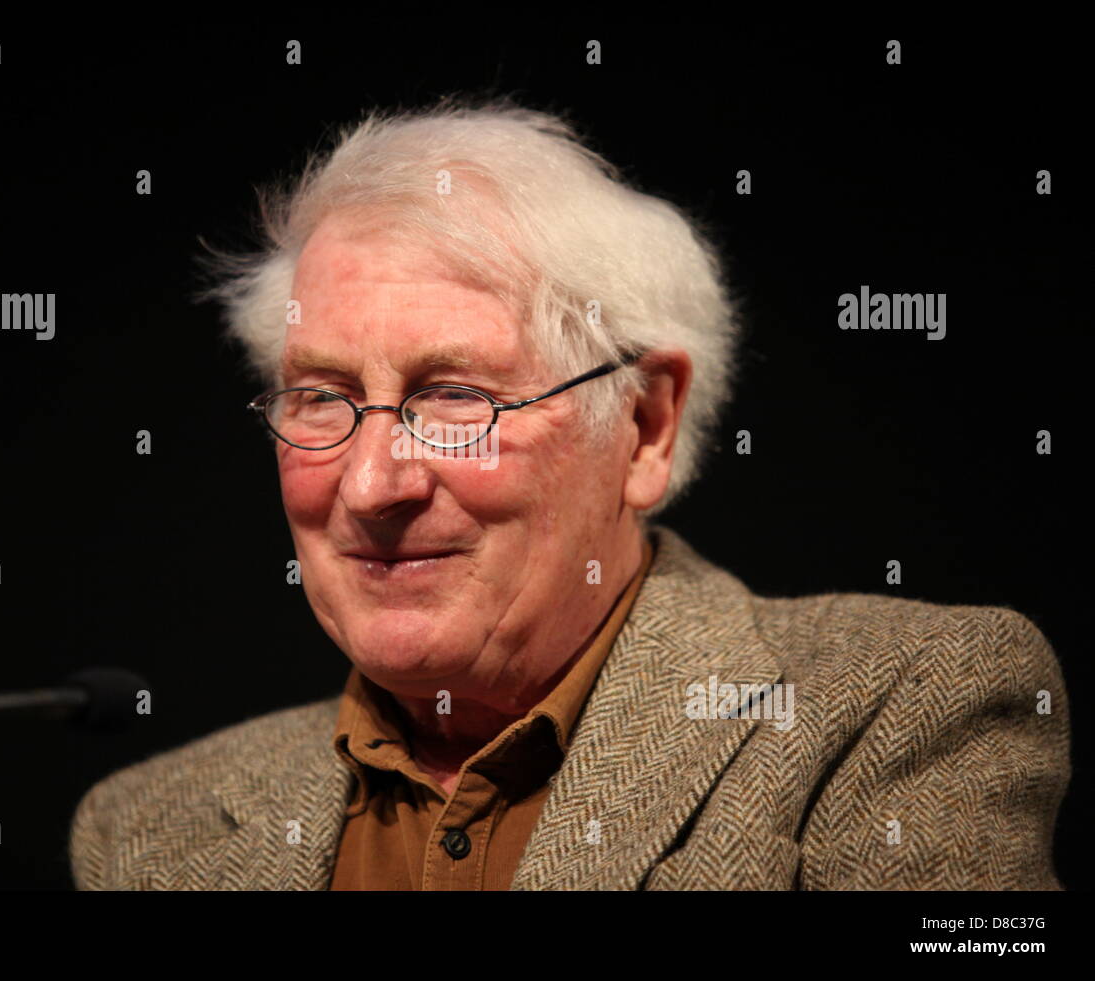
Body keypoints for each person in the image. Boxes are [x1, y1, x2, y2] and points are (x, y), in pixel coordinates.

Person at [69, 97, 1070, 890]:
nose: (371, 486)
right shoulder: (149, 828)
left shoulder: (899, 706)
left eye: (454, 394)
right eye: (322, 398)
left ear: (644, 425)